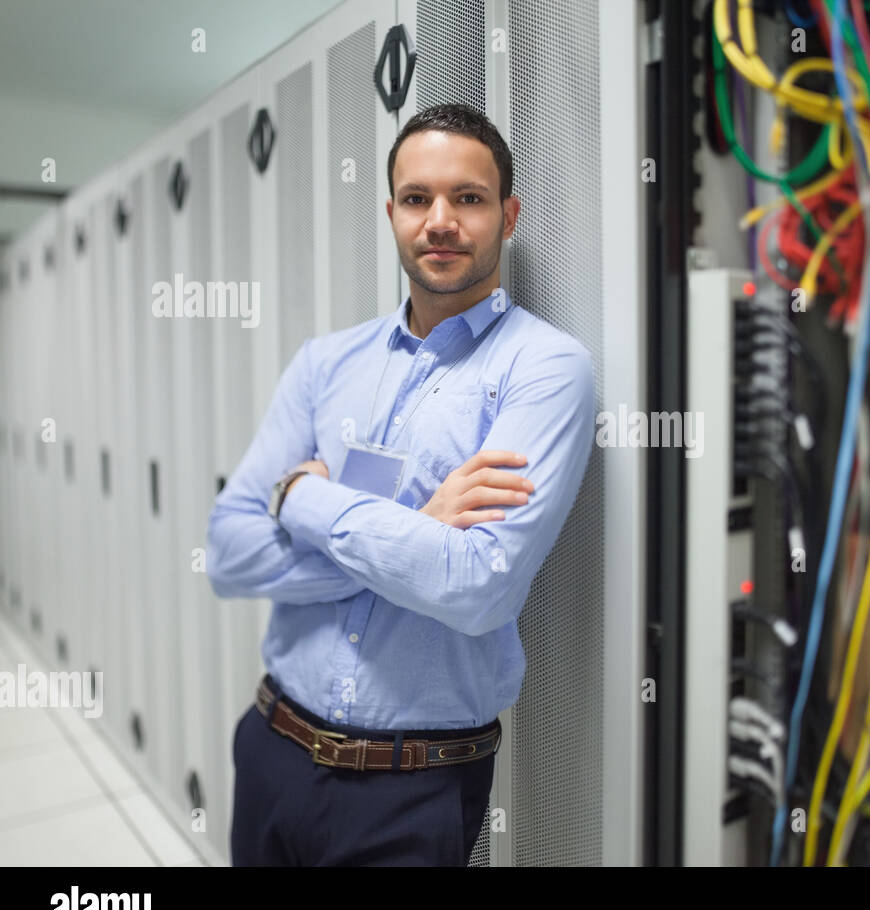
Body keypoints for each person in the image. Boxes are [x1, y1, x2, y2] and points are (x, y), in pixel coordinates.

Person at [206, 103, 594, 866]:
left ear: (508, 215)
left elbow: (477, 585)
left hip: (412, 790)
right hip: (271, 750)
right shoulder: (326, 363)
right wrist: (413, 524)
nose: (440, 220)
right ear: (392, 212)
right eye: (417, 199)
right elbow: (227, 554)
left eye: (469, 199)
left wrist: (302, 501)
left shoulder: (545, 369)